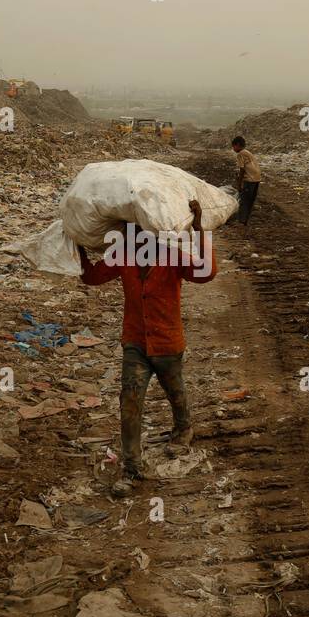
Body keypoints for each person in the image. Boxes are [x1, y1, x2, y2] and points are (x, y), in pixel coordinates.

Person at [78, 201, 217, 496]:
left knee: (175, 393)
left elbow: (206, 272)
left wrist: (199, 229)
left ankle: (183, 429)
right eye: (133, 232)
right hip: (136, 344)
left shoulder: (172, 257)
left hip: (167, 342)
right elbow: (91, 277)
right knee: (129, 401)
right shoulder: (123, 257)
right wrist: (77, 244)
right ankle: (132, 468)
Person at [231, 136, 262, 224]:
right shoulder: (247, 152)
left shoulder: (240, 154)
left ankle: (241, 221)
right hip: (257, 178)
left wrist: (239, 183)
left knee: (244, 200)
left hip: (250, 179)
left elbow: (242, 169)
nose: (233, 149)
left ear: (237, 145)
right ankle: (246, 220)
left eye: (233, 147)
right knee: (250, 200)